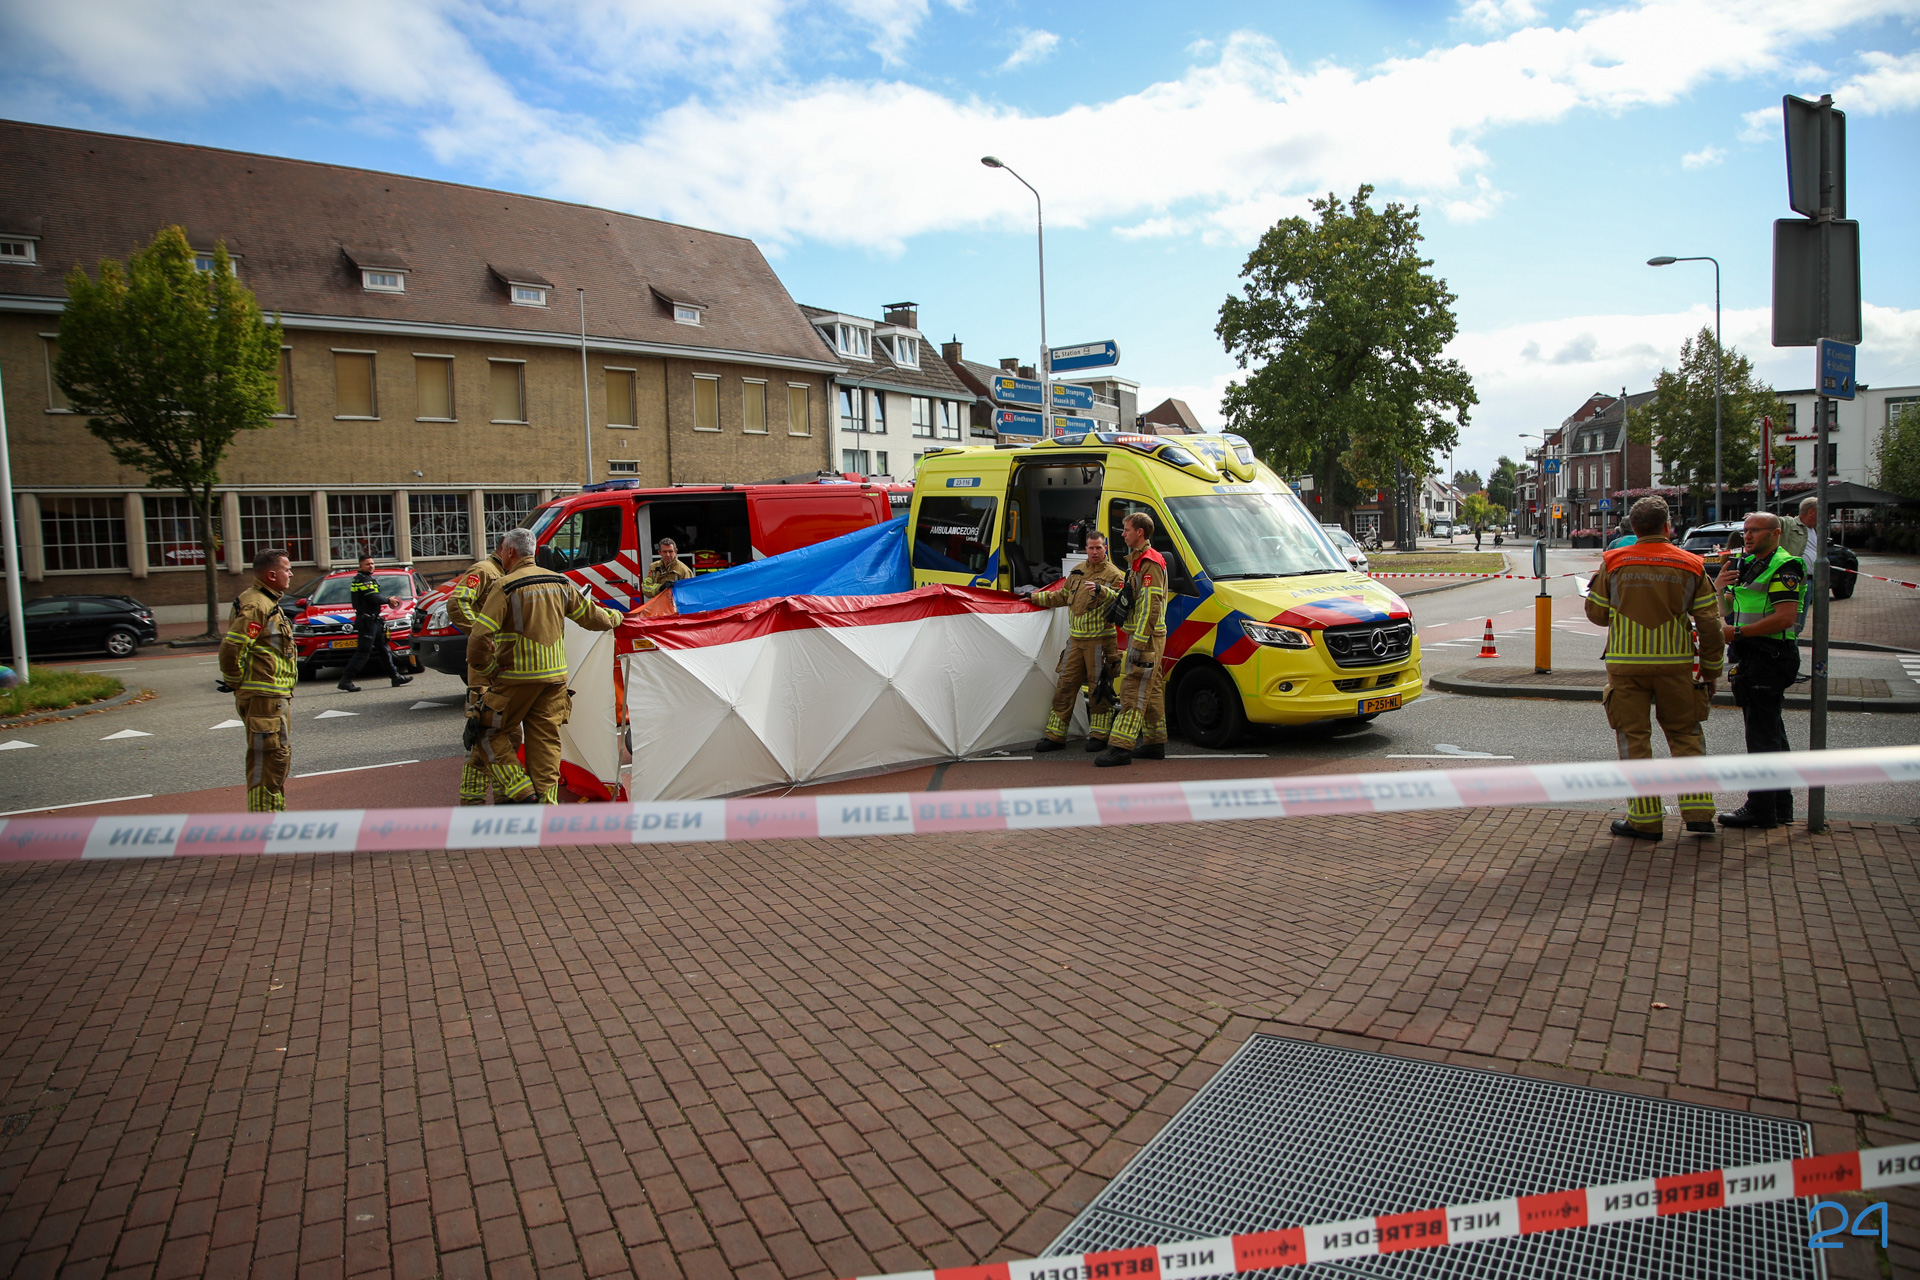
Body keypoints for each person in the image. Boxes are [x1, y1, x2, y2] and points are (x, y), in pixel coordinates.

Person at [1583, 497, 1724, 840]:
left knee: (1635, 739)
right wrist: (1710, 669)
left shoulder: (1613, 562)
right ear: (1667, 526)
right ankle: (1699, 813)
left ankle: (1645, 820)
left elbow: (1597, 614)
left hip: (1626, 665)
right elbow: (1710, 623)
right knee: (1685, 734)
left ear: (1633, 527)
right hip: (1675, 665)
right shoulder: (1691, 564)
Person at [467, 528, 624, 804]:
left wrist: (489, 669)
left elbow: (479, 637)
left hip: (514, 679)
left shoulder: (505, 586)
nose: (500, 555)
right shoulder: (560, 582)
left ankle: (521, 791)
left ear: (510, 552)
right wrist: (617, 618)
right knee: (546, 744)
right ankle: (545, 806)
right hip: (554, 680)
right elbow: (592, 617)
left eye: (502, 550)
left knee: (487, 732)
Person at [1714, 511, 1806, 829]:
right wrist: (1719, 589)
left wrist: (1737, 634)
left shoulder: (1784, 566)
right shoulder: (1749, 564)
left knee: (1762, 737)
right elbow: (1728, 611)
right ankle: (1780, 807)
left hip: (1771, 656)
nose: (1748, 536)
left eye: (1755, 531)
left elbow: (1785, 617)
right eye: (1746, 531)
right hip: (1752, 656)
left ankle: (1761, 809)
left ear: (1775, 533)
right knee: (1772, 734)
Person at [1029, 531, 1127, 753]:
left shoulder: (1115, 575)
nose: (1094, 552)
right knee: (1064, 686)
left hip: (1101, 642)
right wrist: (1035, 597)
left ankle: (1099, 736)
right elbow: (1062, 596)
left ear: (1106, 549)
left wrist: (1103, 591)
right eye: (1091, 548)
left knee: (1099, 689)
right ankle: (1055, 737)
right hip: (1075, 641)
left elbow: (1123, 600)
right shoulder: (1077, 571)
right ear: (1085, 549)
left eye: (1098, 548)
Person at [219, 548, 298, 812]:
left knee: (272, 757)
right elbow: (232, 647)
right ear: (272, 574)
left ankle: (269, 815)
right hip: (265, 698)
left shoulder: (264, 599)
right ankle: (266, 820)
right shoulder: (258, 604)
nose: (291, 574)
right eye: (287, 569)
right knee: (270, 759)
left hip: (270, 697)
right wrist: (234, 680)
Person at [1097, 513, 1169, 767]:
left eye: (1126, 530)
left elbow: (1150, 607)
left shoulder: (1148, 563)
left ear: (1140, 533)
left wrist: (1138, 644)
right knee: (1153, 689)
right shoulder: (1139, 561)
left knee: (1133, 689)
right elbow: (1131, 598)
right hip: (1149, 636)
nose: (1122, 534)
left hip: (1146, 638)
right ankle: (1154, 742)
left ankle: (1121, 748)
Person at [449, 538, 516, 806]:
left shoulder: (503, 573)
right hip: (485, 672)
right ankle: (473, 802)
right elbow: (457, 604)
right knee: (482, 738)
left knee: (506, 737)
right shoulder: (484, 571)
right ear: (507, 550)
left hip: (501, 670)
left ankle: (502, 797)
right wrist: (482, 635)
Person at [337, 555, 413, 691]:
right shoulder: (362, 579)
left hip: (374, 620)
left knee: (384, 649)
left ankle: (395, 676)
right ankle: (346, 680)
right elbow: (373, 598)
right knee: (363, 651)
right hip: (367, 621)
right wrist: (389, 600)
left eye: (372, 563)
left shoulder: (367, 578)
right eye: (367, 564)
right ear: (360, 566)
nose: (371, 566)